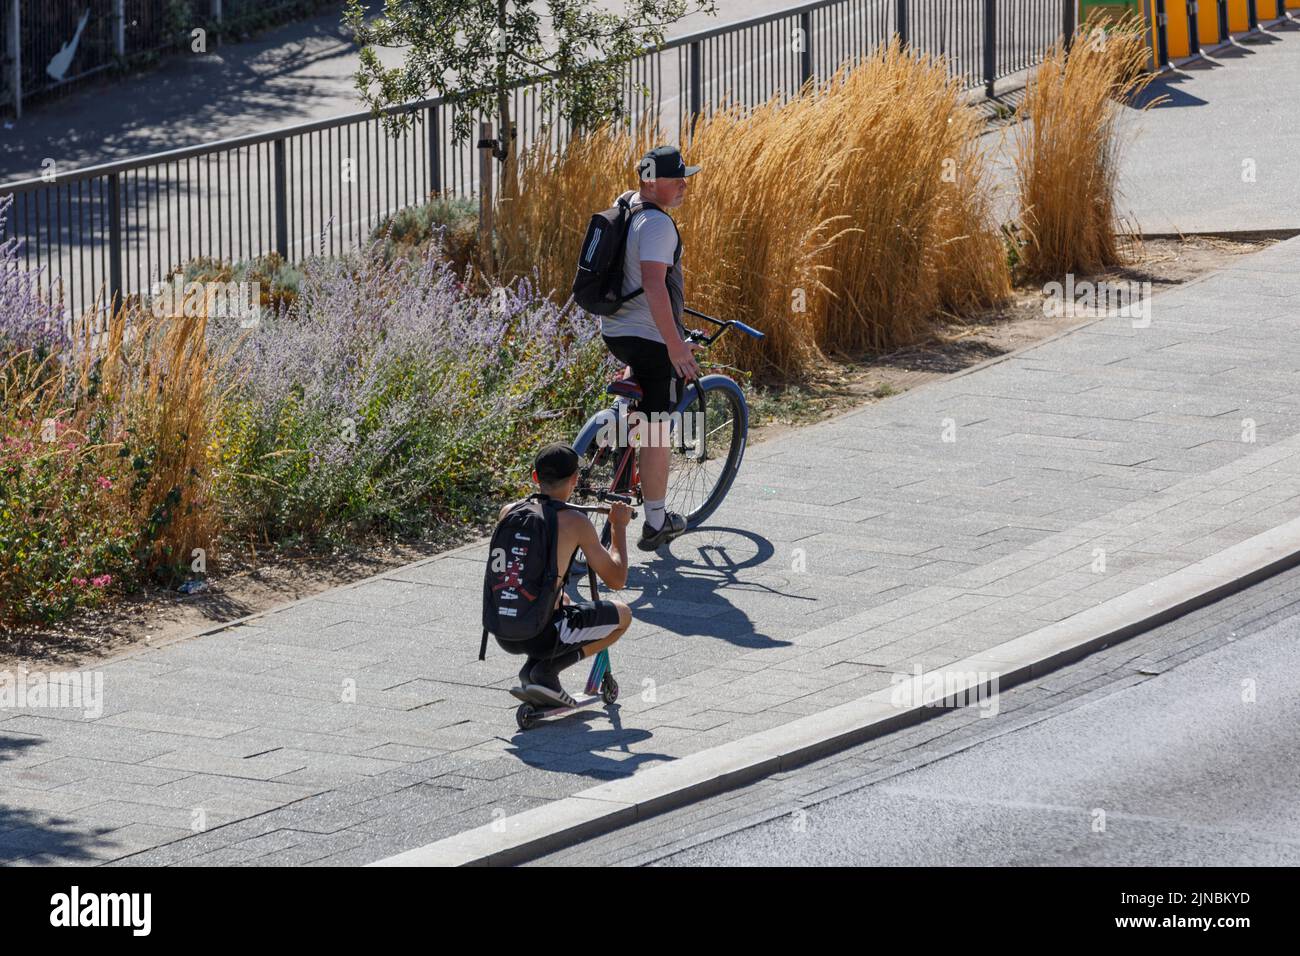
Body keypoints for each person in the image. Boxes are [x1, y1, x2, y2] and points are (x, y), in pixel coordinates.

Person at [601, 145, 705, 552]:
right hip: (648, 336)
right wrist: (676, 346)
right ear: (649, 181)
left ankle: (622, 457)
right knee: (657, 428)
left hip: (616, 331)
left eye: (684, 177)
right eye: (674, 179)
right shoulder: (659, 225)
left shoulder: (626, 203)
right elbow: (654, 284)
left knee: (639, 400)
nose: (683, 185)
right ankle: (657, 522)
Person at [501, 443, 634, 707]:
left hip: (503, 629)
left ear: (535, 477)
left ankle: (533, 670)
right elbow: (616, 579)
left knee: (564, 602)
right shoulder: (575, 522)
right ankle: (547, 671)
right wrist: (618, 526)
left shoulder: (509, 511)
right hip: (539, 634)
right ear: (574, 479)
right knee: (623, 616)